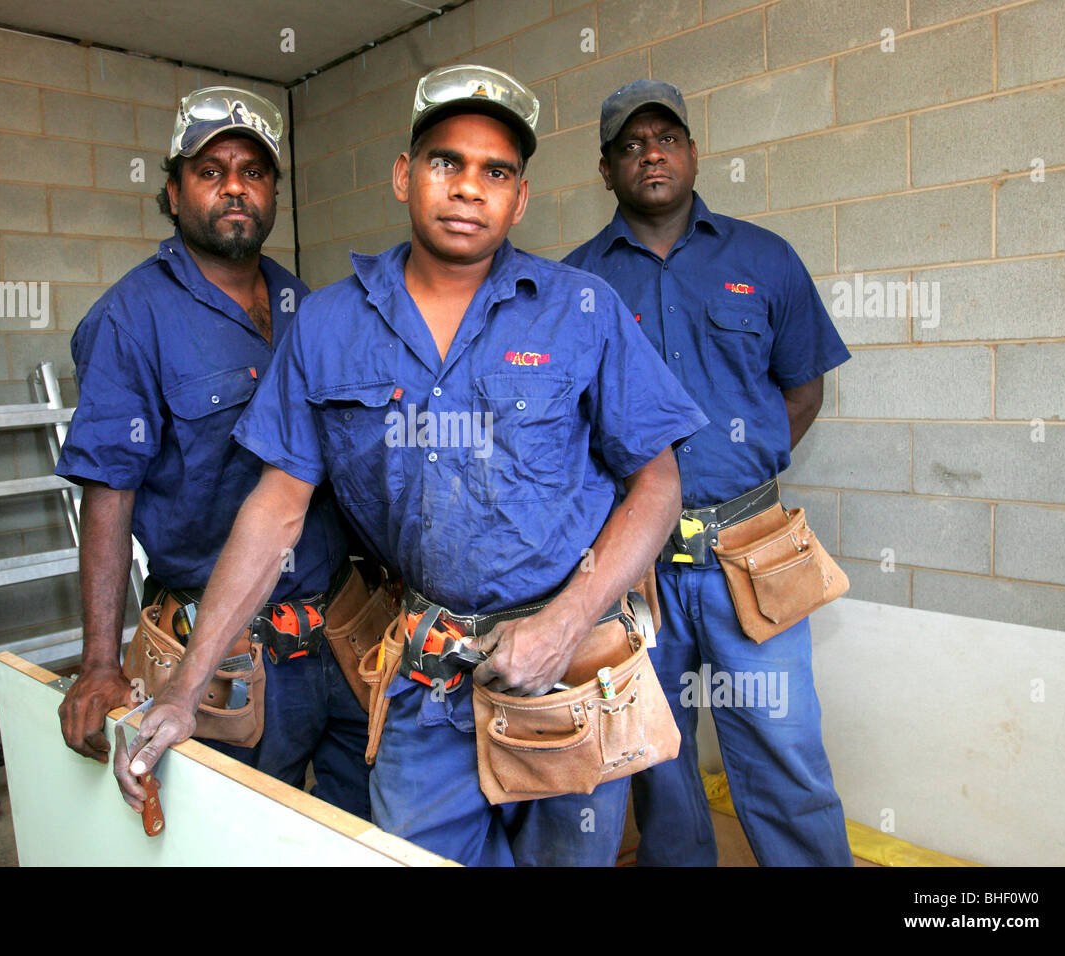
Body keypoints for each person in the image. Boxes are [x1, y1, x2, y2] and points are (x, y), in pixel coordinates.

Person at [114, 64, 707, 867]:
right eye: (445, 163)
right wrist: (186, 684)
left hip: (568, 672)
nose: (469, 189)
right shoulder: (328, 325)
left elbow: (659, 480)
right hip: (427, 678)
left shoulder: (580, 309)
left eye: (495, 171)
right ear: (404, 176)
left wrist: (566, 620)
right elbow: (276, 507)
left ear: (520, 198)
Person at [54, 86, 371, 819]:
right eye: (211, 169)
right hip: (228, 657)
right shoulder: (131, 319)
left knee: (366, 834)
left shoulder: (305, 305)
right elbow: (108, 489)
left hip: (340, 637)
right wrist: (100, 661)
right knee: (243, 838)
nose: (235, 185)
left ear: (273, 193)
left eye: (254, 171)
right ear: (173, 191)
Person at [564, 79, 854, 866]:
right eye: (629, 145)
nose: (649, 154)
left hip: (751, 557)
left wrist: (737, 476)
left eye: (665, 139)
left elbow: (803, 389)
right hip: (637, 569)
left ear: (692, 152)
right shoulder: (576, 287)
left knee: (784, 749)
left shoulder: (764, 259)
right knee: (657, 760)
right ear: (605, 169)